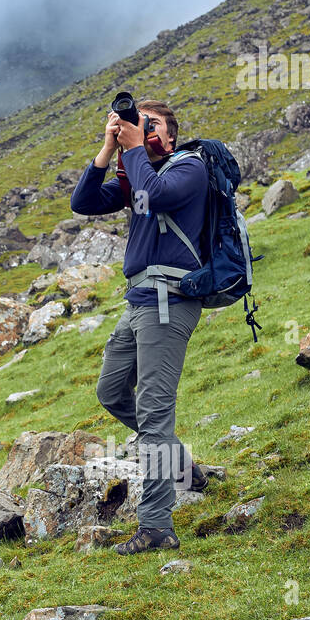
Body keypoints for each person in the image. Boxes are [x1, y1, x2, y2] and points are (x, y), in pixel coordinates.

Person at [69, 99, 210, 554]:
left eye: (151, 127)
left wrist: (134, 149)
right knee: (111, 392)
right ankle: (180, 462)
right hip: (138, 301)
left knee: (152, 414)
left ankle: (156, 527)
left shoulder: (190, 168)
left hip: (170, 302)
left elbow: (163, 194)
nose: (142, 132)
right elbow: (84, 202)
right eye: (136, 125)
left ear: (170, 136)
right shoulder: (136, 179)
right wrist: (110, 147)